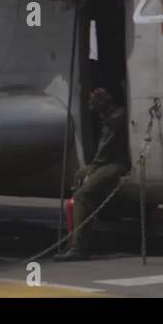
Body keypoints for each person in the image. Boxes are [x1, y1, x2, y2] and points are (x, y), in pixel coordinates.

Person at [54, 87, 129, 262]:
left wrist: (90, 169)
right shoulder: (116, 116)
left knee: (82, 196)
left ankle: (78, 247)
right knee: (80, 180)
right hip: (113, 161)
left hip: (116, 164)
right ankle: (75, 239)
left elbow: (103, 155)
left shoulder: (113, 121)